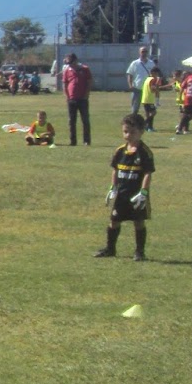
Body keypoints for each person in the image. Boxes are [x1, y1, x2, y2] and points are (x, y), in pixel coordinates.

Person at [96, 113, 154, 261]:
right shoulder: (120, 151)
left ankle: (140, 252)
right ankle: (110, 248)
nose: (128, 135)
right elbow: (115, 170)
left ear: (141, 132)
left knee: (138, 222)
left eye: (132, 132)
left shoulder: (145, 153)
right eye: (125, 131)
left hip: (136, 195)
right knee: (114, 221)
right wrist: (112, 188)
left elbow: (148, 173)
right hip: (121, 194)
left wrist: (143, 192)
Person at [62, 53, 93, 146]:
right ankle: (73, 141)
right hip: (71, 99)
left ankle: (86, 140)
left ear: (75, 60)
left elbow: (89, 82)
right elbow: (65, 84)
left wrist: (86, 94)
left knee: (85, 120)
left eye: (71, 62)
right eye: (68, 63)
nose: (69, 65)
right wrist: (67, 96)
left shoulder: (85, 69)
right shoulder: (67, 71)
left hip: (82, 98)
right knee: (71, 121)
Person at [126, 45, 154, 114]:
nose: (144, 53)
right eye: (142, 51)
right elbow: (130, 74)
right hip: (137, 88)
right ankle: (133, 123)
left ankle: (148, 124)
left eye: (145, 51)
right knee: (135, 108)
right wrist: (130, 85)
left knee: (148, 109)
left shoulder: (151, 63)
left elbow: (155, 75)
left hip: (148, 89)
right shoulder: (135, 63)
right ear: (139, 52)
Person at [139, 67, 162, 131]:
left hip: (145, 99)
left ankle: (149, 127)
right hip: (149, 99)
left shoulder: (147, 79)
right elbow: (152, 89)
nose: (157, 75)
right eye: (157, 74)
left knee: (148, 114)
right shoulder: (152, 80)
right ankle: (143, 124)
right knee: (153, 112)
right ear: (154, 73)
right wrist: (157, 86)